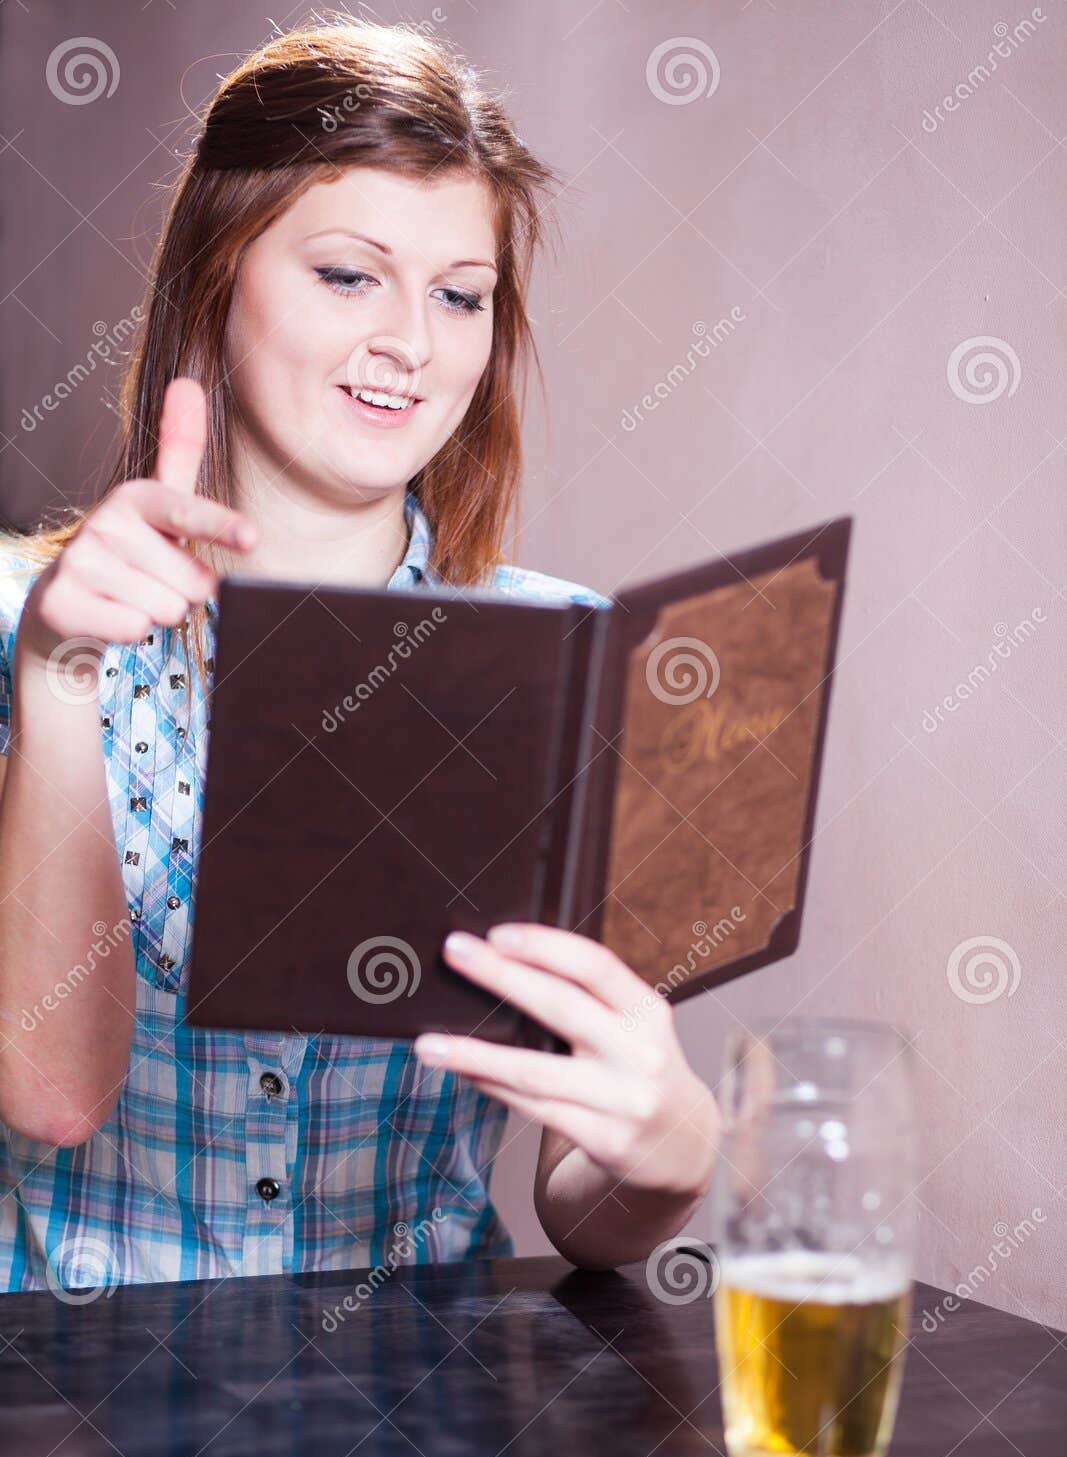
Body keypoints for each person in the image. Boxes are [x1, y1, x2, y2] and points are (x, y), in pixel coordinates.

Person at [0, 20, 720, 1294]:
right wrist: (58, 680)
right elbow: (53, 1095)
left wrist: (662, 1146)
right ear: (216, 277)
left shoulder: (557, 659)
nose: (411, 343)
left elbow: (582, 1202)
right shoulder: (18, 619)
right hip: (65, 1423)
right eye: (348, 275)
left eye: (459, 295)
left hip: (421, 1417)